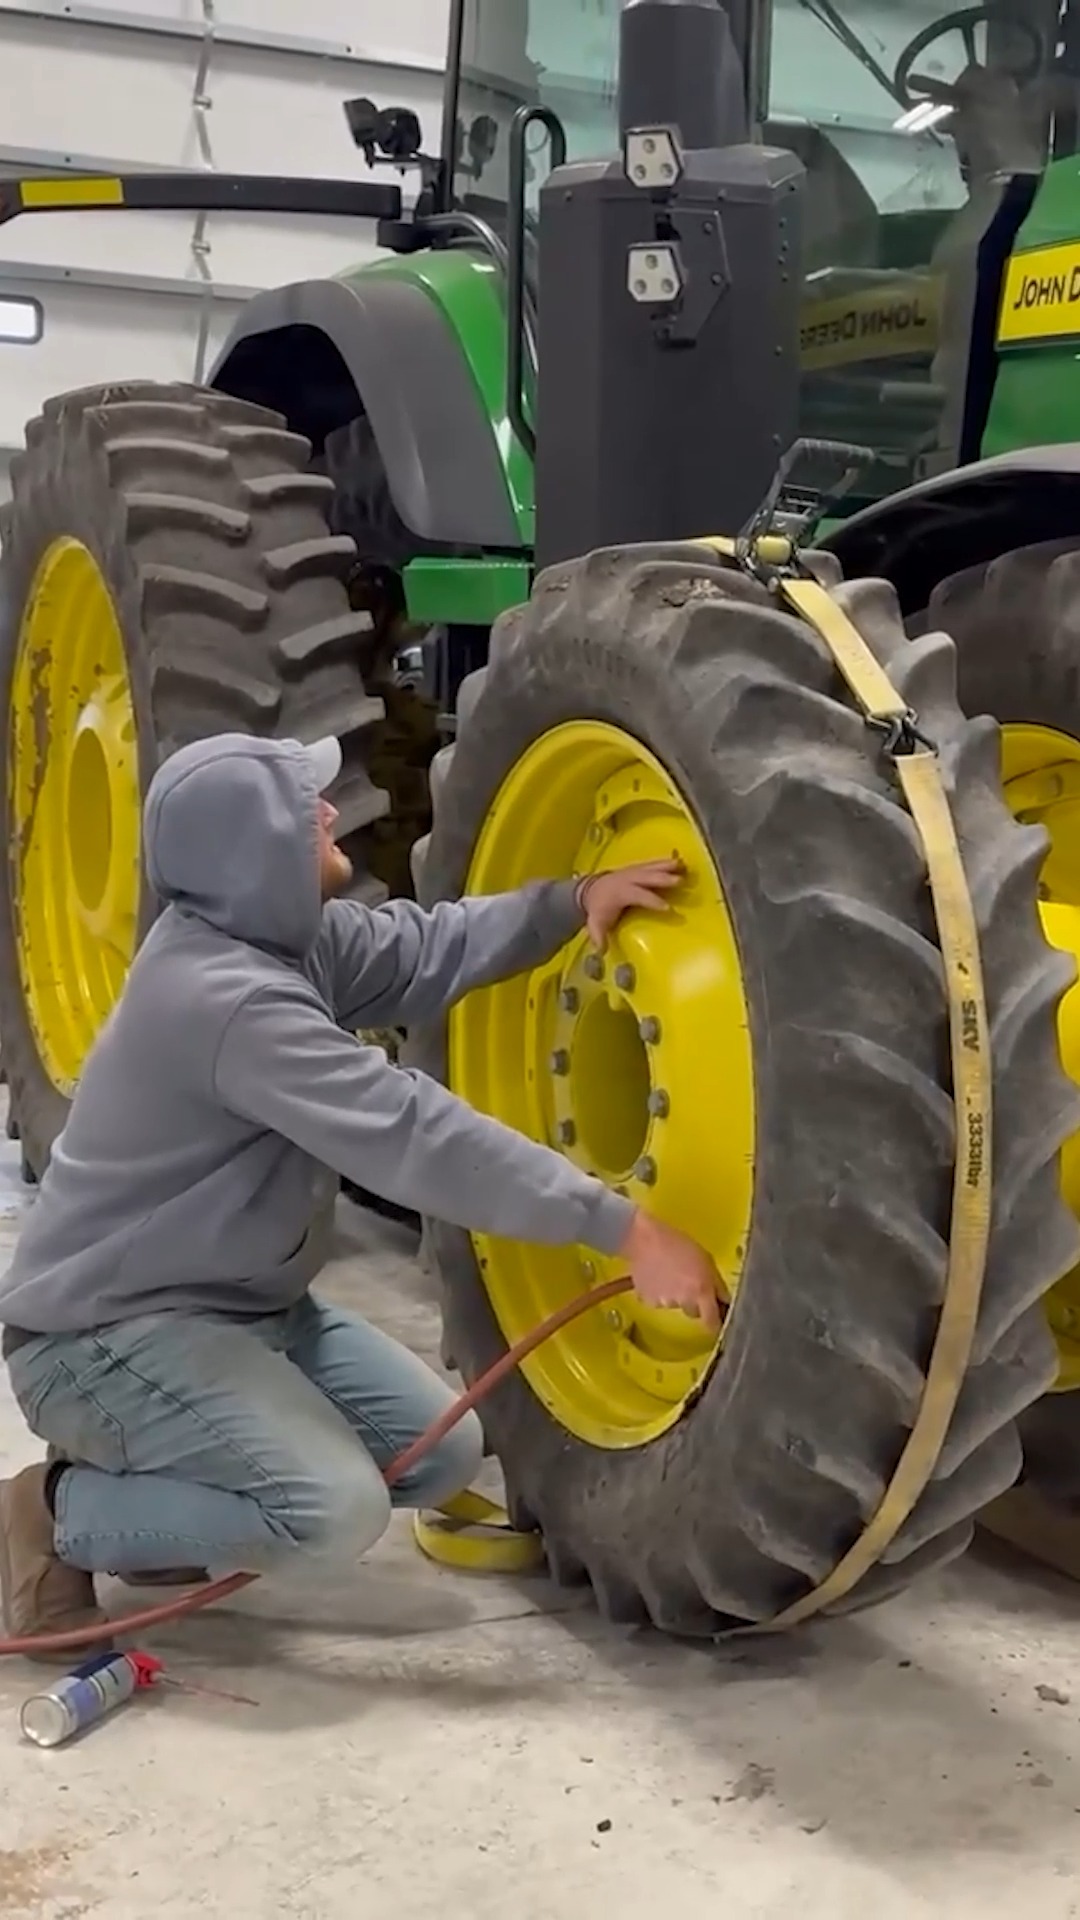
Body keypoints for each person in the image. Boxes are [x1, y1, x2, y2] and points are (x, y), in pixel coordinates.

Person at [0, 733, 720, 1648]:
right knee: (333, 1510)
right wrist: (623, 1229)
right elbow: (414, 1135)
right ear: (248, 851)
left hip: (240, 1314)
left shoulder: (279, 942)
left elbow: (423, 950)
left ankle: (161, 1495)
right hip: (105, 1338)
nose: (331, 811)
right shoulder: (226, 1001)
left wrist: (571, 903)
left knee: (440, 1454)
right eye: (306, 808)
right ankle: (53, 1511)